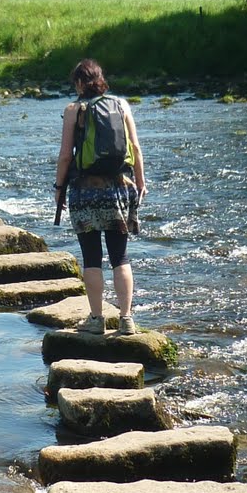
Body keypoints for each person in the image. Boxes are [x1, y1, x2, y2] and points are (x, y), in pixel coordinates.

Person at [54, 58, 146, 334]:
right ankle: (126, 319)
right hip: (120, 186)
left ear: (80, 83)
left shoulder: (74, 110)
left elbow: (64, 157)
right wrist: (140, 182)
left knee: (92, 257)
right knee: (120, 256)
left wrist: (59, 188)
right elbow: (136, 148)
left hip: (85, 190)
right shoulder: (122, 105)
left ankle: (96, 319)